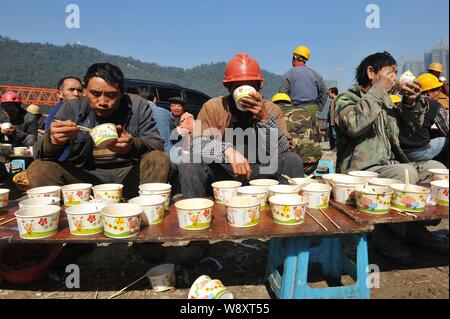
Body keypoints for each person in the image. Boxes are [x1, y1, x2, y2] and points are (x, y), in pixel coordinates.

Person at [334, 51, 447, 264]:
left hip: (389, 167)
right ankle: (382, 232)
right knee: (405, 172)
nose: (394, 78)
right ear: (371, 72)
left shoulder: (387, 102)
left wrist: (411, 103)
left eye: (396, 73)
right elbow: (353, 125)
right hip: (361, 172)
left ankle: (411, 227)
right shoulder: (347, 98)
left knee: (437, 168)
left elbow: (409, 132)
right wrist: (379, 91)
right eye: (390, 73)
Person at [27, 63, 171, 198]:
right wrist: (53, 141)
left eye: (111, 95)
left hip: (127, 174)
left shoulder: (137, 105)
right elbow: (38, 152)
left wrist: (132, 145)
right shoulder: (71, 108)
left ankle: (148, 212)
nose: (102, 102)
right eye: (95, 94)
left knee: (158, 159)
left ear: (121, 93)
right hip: (85, 176)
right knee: (39, 168)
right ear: (85, 91)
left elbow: (157, 144)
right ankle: (64, 217)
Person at [179, 53, 303, 198]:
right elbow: (197, 144)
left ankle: (286, 207)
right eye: (238, 86)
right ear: (228, 87)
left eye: (250, 85)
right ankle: (196, 211)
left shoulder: (271, 110)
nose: (244, 92)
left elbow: (282, 150)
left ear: (259, 86)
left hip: (259, 172)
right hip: (224, 172)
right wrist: (227, 151)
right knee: (190, 162)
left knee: (291, 159)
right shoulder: (213, 107)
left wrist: (264, 119)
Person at [279, 45, 325, 174]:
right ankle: (310, 163)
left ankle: (294, 164)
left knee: (293, 137)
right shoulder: (315, 74)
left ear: (294, 57)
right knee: (312, 137)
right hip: (312, 107)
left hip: (295, 107)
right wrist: (319, 107)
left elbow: (282, 94)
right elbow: (323, 91)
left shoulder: (289, 73)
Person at [400, 73, 448, 164]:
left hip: (400, 152)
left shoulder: (403, 103)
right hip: (417, 153)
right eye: (438, 90)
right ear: (429, 92)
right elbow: (447, 130)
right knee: (447, 140)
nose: (439, 93)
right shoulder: (435, 106)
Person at [137, 86, 175, 155]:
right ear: (154, 99)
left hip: (145, 154)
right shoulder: (166, 112)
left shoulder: (135, 112)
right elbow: (173, 132)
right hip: (167, 154)